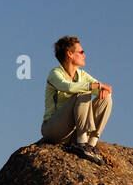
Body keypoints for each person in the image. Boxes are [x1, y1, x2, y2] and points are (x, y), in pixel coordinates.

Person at [41, 36, 112, 164]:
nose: (84, 55)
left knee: (106, 98)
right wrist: (98, 86)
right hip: (54, 129)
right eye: (81, 52)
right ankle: (81, 143)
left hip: (72, 131)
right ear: (70, 54)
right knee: (83, 92)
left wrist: (104, 90)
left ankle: (91, 144)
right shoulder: (55, 74)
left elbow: (99, 89)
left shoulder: (82, 75)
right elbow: (68, 87)